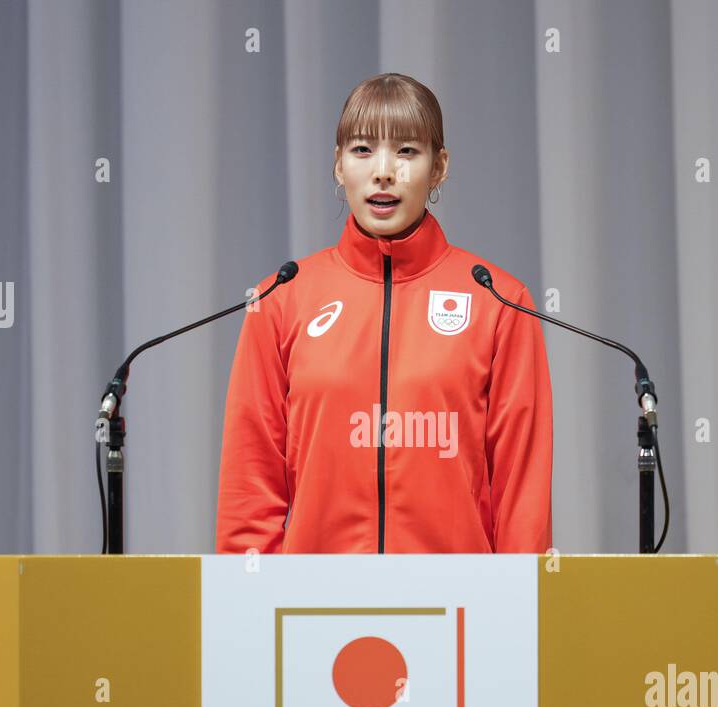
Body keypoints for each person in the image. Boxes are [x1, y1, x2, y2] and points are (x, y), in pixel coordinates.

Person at [216, 73, 552, 554]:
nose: (383, 172)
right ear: (338, 166)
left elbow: (523, 489)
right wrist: (248, 602)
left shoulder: (499, 301)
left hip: (458, 608)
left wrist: (519, 603)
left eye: (407, 152)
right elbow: (250, 483)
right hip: (314, 609)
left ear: (439, 168)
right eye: (362, 150)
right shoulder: (281, 298)